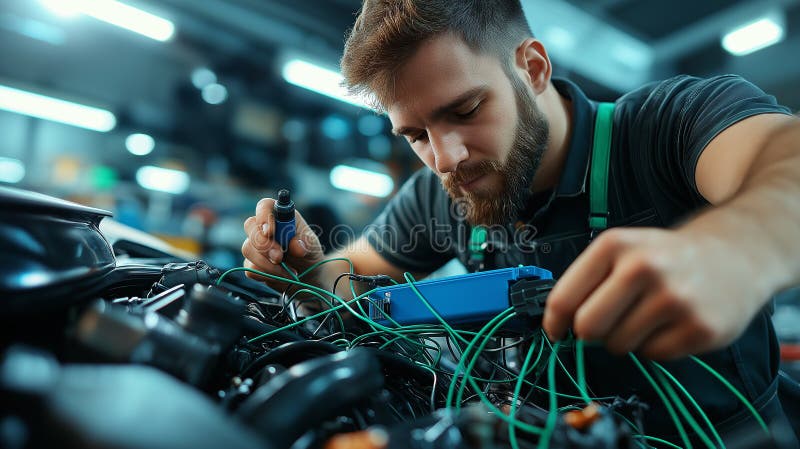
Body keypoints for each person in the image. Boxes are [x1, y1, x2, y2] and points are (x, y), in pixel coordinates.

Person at [242, 0, 800, 444]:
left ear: (531, 67)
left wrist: (736, 246)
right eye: (415, 135)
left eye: (464, 111)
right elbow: (344, 281)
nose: (446, 158)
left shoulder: (667, 127)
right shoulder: (441, 198)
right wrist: (304, 265)